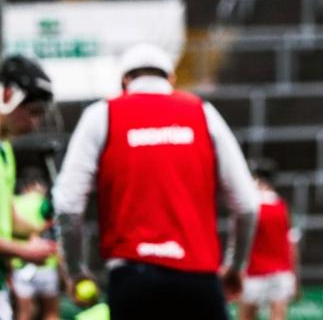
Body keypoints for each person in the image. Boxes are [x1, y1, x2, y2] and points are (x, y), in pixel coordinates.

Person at [53, 42, 259, 320]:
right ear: (171, 79)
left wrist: (75, 271)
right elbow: (247, 204)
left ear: (125, 81)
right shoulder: (203, 113)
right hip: (198, 279)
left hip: (133, 279)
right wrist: (235, 267)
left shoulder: (101, 115)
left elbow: (67, 205)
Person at [0, 56, 58, 320]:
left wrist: (38, 234)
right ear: (7, 95)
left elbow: (7, 218)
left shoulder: (6, 150)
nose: (35, 123)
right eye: (32, 112)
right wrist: (24, 250)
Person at [239, 160, 298, 320]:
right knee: (278, 315)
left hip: (254, 273)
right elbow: (292, 245)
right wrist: (295, 276)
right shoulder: (283, 208)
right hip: (281, 273)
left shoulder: (251, 207)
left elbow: (241, 242)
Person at [10, 169, 60, 320]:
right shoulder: (44, 203)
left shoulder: (13, 202)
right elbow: (54, 229)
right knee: (51, 313)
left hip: (20, 264)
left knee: (24, 313)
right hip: (45, 263)